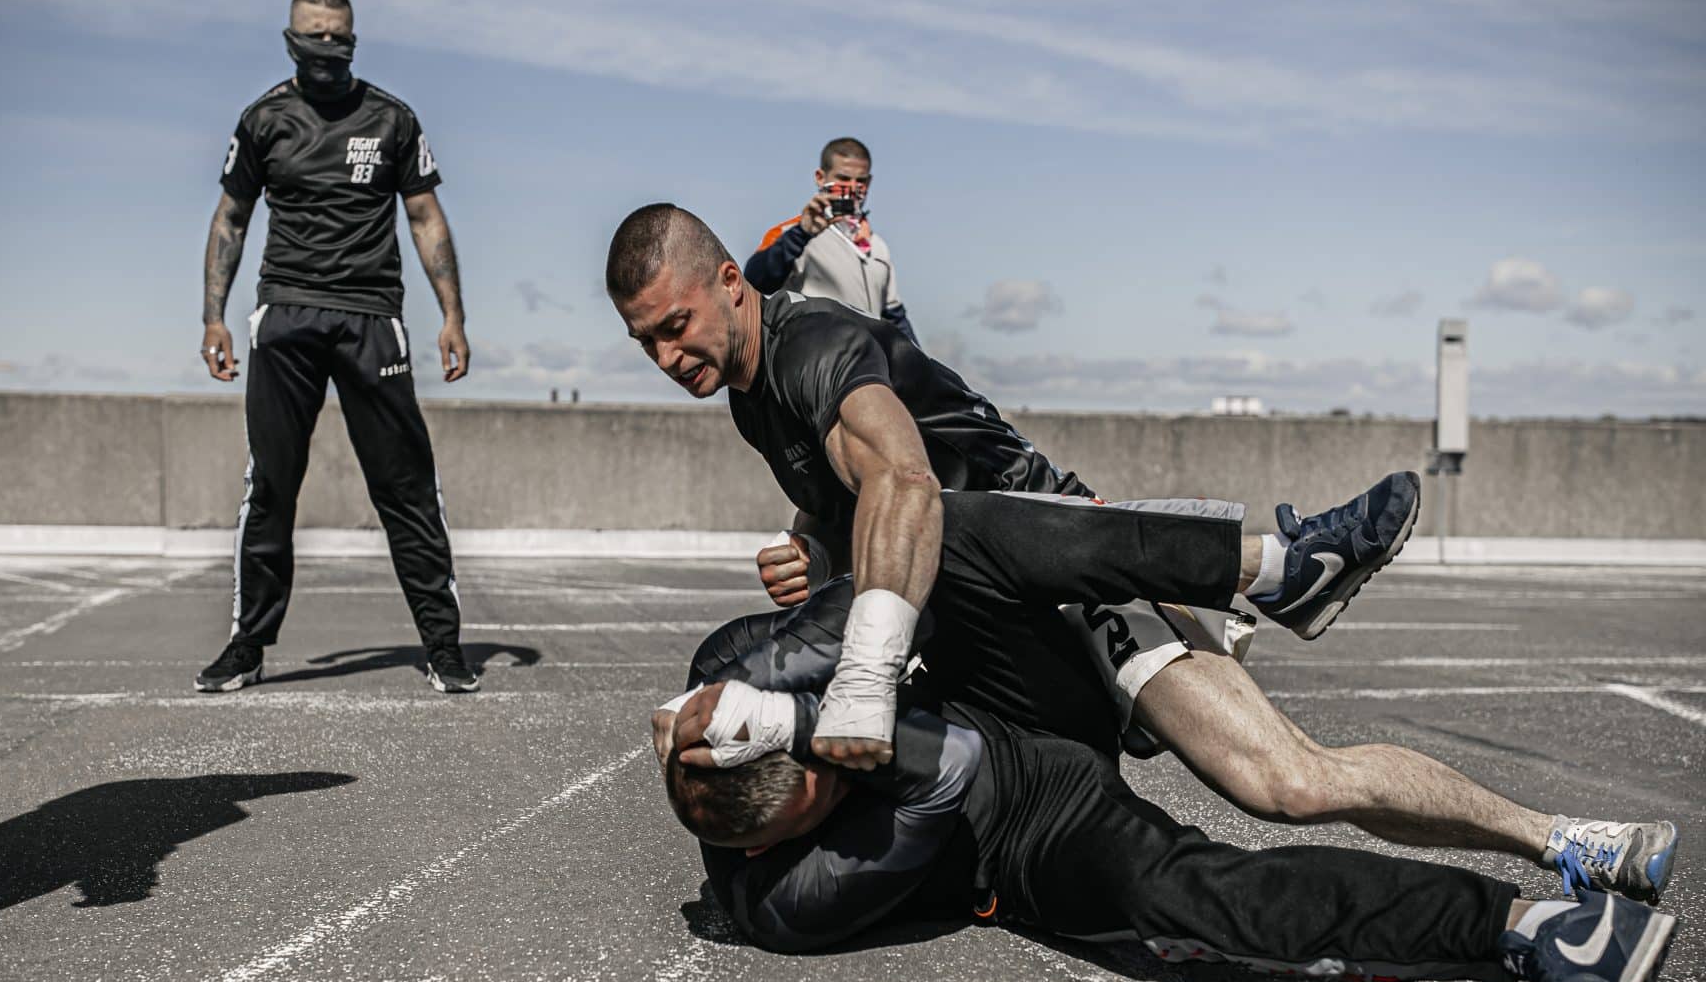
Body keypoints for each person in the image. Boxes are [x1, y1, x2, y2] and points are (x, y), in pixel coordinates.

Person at [603, 203, 1675, 886]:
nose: (665, 355)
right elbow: (848, 490)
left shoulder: (813, 341)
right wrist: (812, 547)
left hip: (1069, 586)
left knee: (1284, 781)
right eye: (645, 340)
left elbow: (898, 474)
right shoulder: (752, 394)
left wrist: (863, 670)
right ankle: (1279, 572)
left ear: (730, 281)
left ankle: (1559, 838)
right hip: (989, 625)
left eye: (675, 324)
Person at [649, 580, 1681, 982]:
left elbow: (875, 585)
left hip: (1005, 691)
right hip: (1030, 824)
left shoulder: (730, 684)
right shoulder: (784, 902)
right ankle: (1552, 930)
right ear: (762, 845)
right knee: (1198, 898)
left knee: (943, 533)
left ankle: (1224, 574)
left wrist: (758, 681)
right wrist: (803, 724)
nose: (844, 763)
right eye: (829, 788)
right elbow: (950, 765)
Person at [194, 0, 477, 696]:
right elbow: (231, 218)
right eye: (312, 35)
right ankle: (248, 645)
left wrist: (452, 316)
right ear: (290, 39)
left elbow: (425, 218)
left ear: (353, 39)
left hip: (370, 317)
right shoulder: (264, 120)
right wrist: (213, 317)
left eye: (337, 36)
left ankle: (443, 647)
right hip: (286, 313)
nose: (326, 47)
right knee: (271, 486)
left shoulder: (391, 119)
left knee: (406, 486)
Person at [743, 137, 916, 342]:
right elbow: (756, 281)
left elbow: (895, 317)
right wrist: (802, 233)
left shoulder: (877, 246)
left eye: (860, 181)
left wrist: (922, 361)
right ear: (820, 177)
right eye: (843, 178)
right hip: (815, 355)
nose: (852, 188)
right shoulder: (792, 233)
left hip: (869, 358)